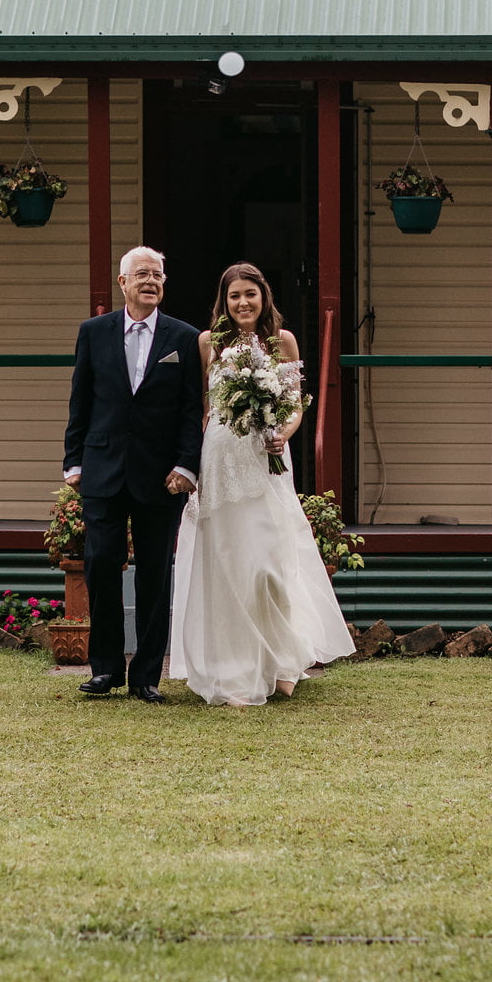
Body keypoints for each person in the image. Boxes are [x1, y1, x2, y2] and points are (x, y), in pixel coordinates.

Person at [170, 262, 356, 706]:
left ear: (263, 296)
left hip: (266, 458)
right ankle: (233, 667)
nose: (243, 303)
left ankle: (281, 660)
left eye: (249, 294)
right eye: (234, 295)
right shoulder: (208, 343)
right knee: (227, 564)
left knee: (268, 567)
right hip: (220, 459)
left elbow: (294, 403)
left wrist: (283, 434)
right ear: (224, 301)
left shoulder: (282, 341)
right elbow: (203, 406)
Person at [62, 246, 204, 703]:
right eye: (142, 274)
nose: (151, 281)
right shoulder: (93, 332)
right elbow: (81, 399)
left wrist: (186, 465)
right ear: (122, 282)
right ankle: (105, 669)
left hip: (161, 476)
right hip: (102, 468)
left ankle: (146, 675)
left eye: (158, 275)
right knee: (101, 563)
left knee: (155, 575)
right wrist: (74, 461)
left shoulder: (184, 338)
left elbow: (191, 409)